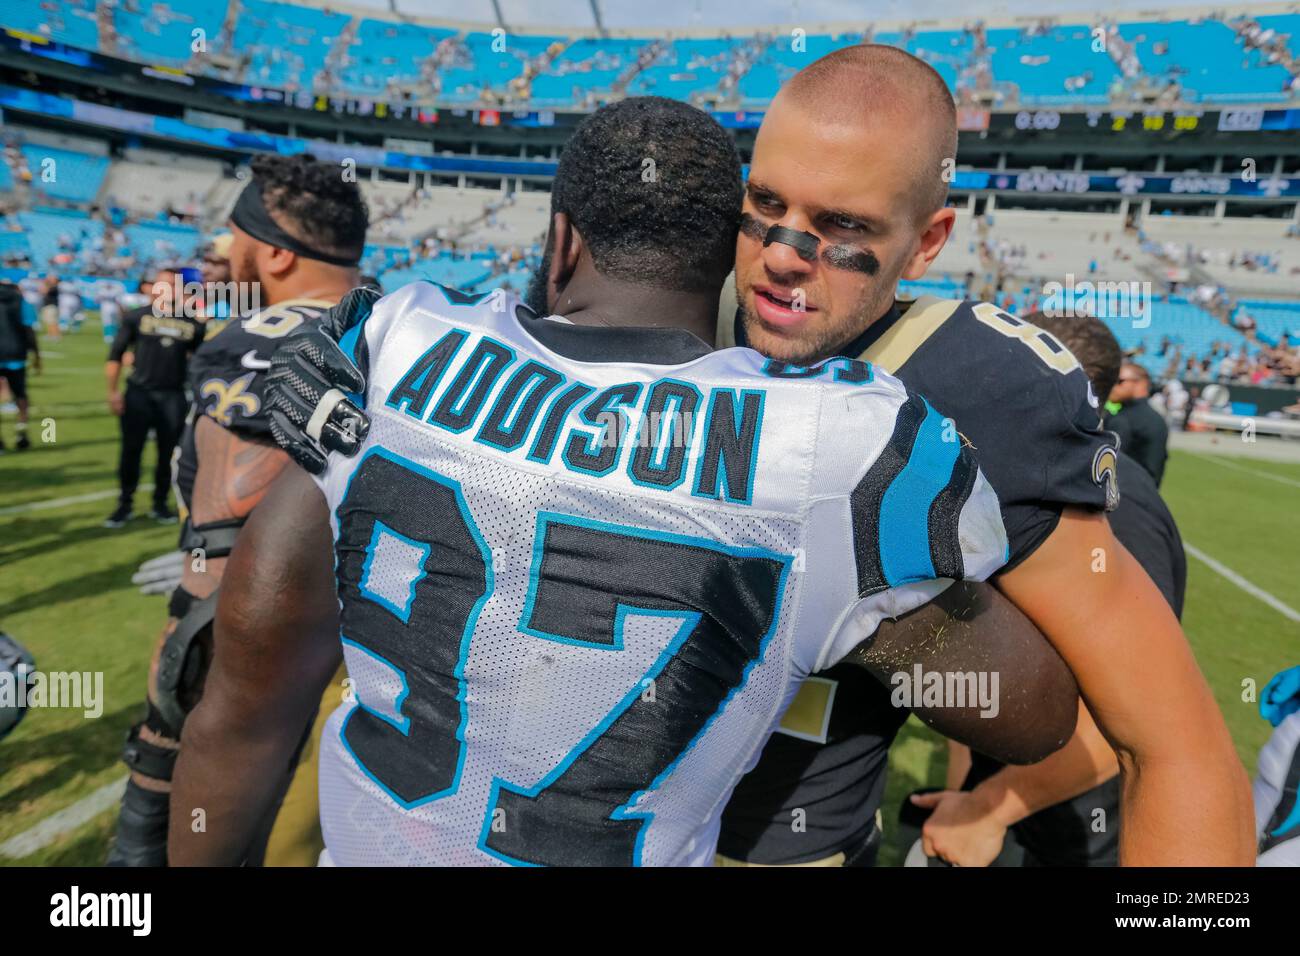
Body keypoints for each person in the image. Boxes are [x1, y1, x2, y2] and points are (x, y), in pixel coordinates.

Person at [168, 97, 1078, 867]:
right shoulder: (837, 446)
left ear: (562, 241)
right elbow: (1031, 716)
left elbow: (239, 712)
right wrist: (851, 604)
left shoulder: (392, 350)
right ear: (730, 256)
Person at [703, 44, 1246, 867]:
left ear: (928, 243)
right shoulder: (668, 305)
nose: (784, 251)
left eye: (843, 224)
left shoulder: (981, 392)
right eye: (767, 201)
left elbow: (1176, 746)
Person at [105, 154, 369, 867]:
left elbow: (218, 586)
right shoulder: (410, 329)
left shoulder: (260, 342)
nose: (227, 257)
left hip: (271, 692)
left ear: (276, 252)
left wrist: (163, 737)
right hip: (378, 679)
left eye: (237, 238)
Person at [913, 311, 1188, 867]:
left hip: (1071, 830)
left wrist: (989, 809)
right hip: (1018, 801)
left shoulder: (1113, 503)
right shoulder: (1032, 477)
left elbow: (1142, 715)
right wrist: (970, 791)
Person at [104, 268, 205, 526]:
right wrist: (113, 392)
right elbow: (115, 355)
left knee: (168, 454)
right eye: (164, 284)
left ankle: (160, 504)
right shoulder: (136, 317)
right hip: (139, 394)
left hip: (173, 396)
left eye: (174, 285)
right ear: (151, 288)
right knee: (131, 451)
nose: (168, 289)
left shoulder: (193, 323)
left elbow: (201, 362)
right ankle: (124, 504)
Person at [1106, 361, 1169, 486]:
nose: (1113, 386)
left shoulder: (1124, 420)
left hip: (1122, 497)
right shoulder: (1156, 419)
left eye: (1119, 381)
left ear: (1141, 383)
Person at [0, 278, 40, 453]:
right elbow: (29, 330)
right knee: (21, 396)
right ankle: (21, 433)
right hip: (17, 353)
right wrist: (36, 355)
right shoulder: (21, 301)